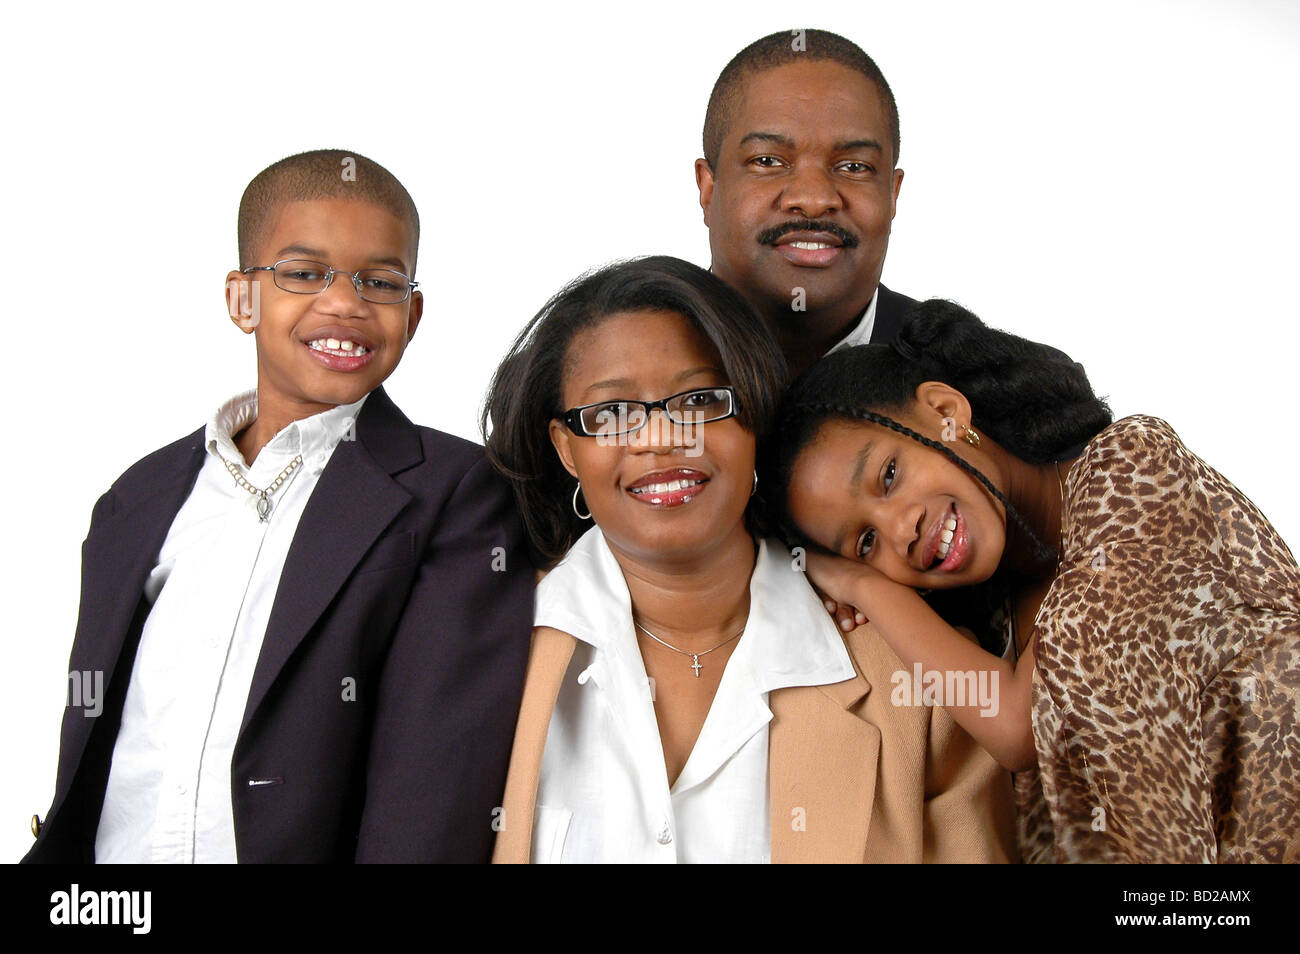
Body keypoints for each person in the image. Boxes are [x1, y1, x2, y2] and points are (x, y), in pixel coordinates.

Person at [23, 149, 534, 863]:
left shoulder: (457, 494)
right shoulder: (135, 500)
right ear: (242, 298)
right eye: (303, 273)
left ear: (413, 314)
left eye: (379, 282)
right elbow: (97, 745)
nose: (345, 302)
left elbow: (434, 782)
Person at [482, 256, 1015, 863]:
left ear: (753, 414)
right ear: (567, 450)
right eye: (612, 414)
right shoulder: (488, 650)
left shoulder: (917, 689)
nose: (661, 439)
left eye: (700, 400)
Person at [761, 297, 1300, 863]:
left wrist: (861, 583)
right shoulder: (1000, 623)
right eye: (865, 542)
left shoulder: (1137, 469)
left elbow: (1020, 725)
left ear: (946, 411)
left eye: (889, 474)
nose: (901, 530)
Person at [695, 29, 915, 379]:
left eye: (854, 167)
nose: (813, 201)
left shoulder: (987, 389)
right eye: (767, 161)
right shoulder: (606, 363)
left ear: (892, 194)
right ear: (708, 187)